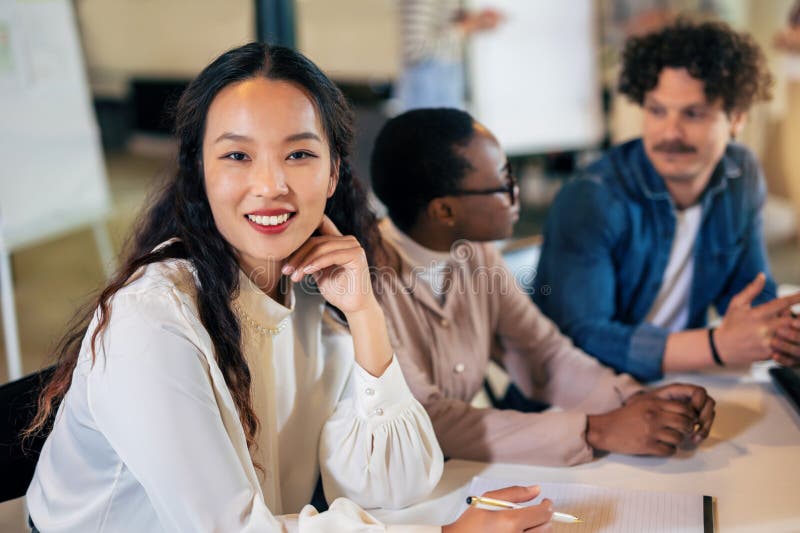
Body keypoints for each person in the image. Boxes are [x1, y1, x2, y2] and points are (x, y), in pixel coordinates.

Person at [23, 44, 554, 533]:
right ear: (200, 174)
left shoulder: (311, 295)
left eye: (298, 154)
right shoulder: (153, 318)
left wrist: (366, 314)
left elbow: (395, 485)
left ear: (332, 173)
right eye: (237, 156)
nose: (271, 184)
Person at [369, 108, 715, 467]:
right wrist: (597, 430)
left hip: (453, 470)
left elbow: (543, 355)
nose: (516, 193)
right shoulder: (365, 286)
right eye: (504, 184)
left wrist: (636, 401)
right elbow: (425, 417)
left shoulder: (475, 252)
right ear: (444, 212)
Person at [534, 20, 800, 383]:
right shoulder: (592, 196)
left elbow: (748, 286)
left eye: (693, 113)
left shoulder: (741, 173)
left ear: (736, 118)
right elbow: (583, 335)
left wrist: (779, 333)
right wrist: (717, 346)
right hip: (584, 394)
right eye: (657, 111)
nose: (670, 133)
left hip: (680, 377)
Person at [396, 0, 502, 111]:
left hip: (444, 77)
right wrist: (467, 27)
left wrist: (471, 19)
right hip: (431, 83)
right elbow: (416, 48)